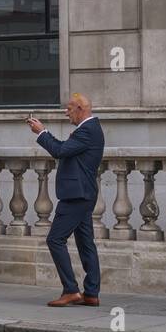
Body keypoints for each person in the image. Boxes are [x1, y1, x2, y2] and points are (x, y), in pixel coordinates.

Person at [29, 94, 105, 307]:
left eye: (69, 108)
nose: (66, 111)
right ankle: (91, 293)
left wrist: (42, 132)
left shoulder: (88, 130)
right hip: (82, 194)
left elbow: (60, 151)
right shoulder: (88, 130)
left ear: (80, 108)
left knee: (55, 239)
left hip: (76, 196)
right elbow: (66, 149)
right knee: (85, 243)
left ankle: (71, 290)